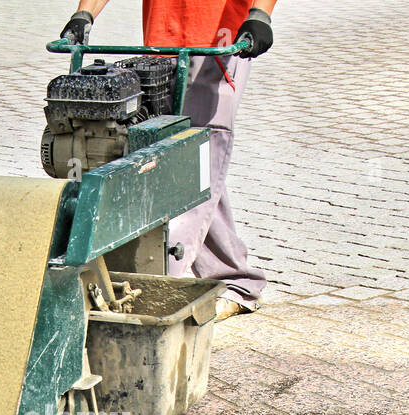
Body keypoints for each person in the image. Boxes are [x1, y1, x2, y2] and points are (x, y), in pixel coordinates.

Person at [60, 1, 277, 318]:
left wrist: (260, 14)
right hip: (161, 49)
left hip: (221, 46)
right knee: (189, 164)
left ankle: (155, 284)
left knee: (194, 162)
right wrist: (84, 15)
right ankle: (236, 278)